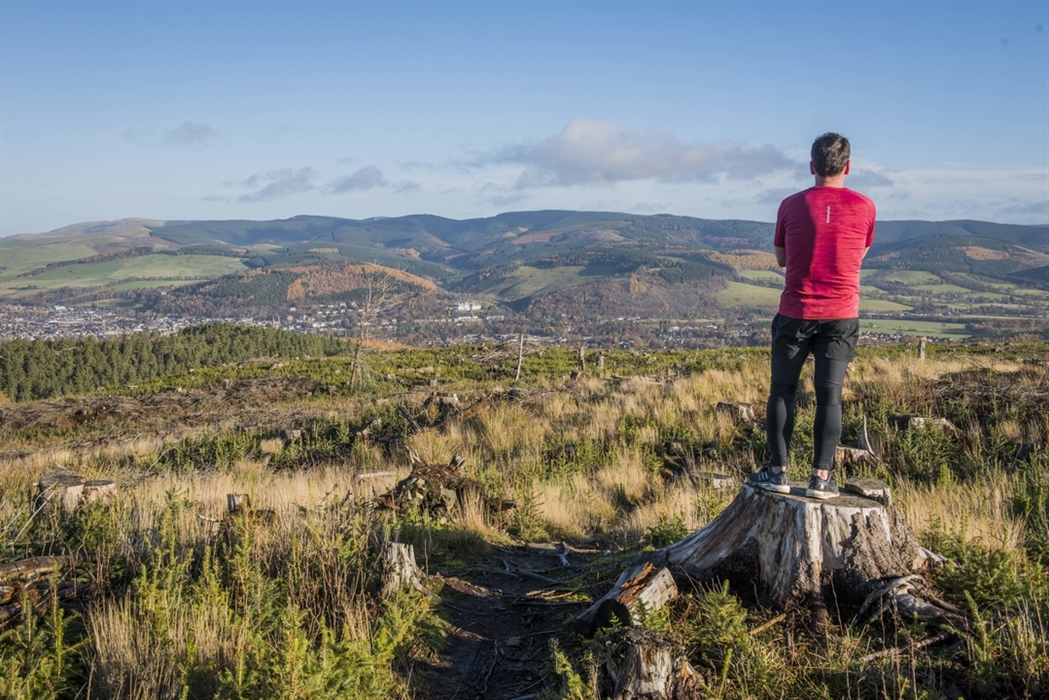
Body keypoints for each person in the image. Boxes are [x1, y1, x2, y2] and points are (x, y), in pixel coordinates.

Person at [747, 133, 876, 499]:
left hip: (796, 312)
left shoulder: (790, 205)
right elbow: (859, 255)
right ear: (847, 167)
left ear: (811, 167)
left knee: (782, 392)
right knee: (829, 396)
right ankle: (821, 478)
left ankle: (777, 472)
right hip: (841, 315)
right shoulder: (866, 206)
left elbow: (782, 258)